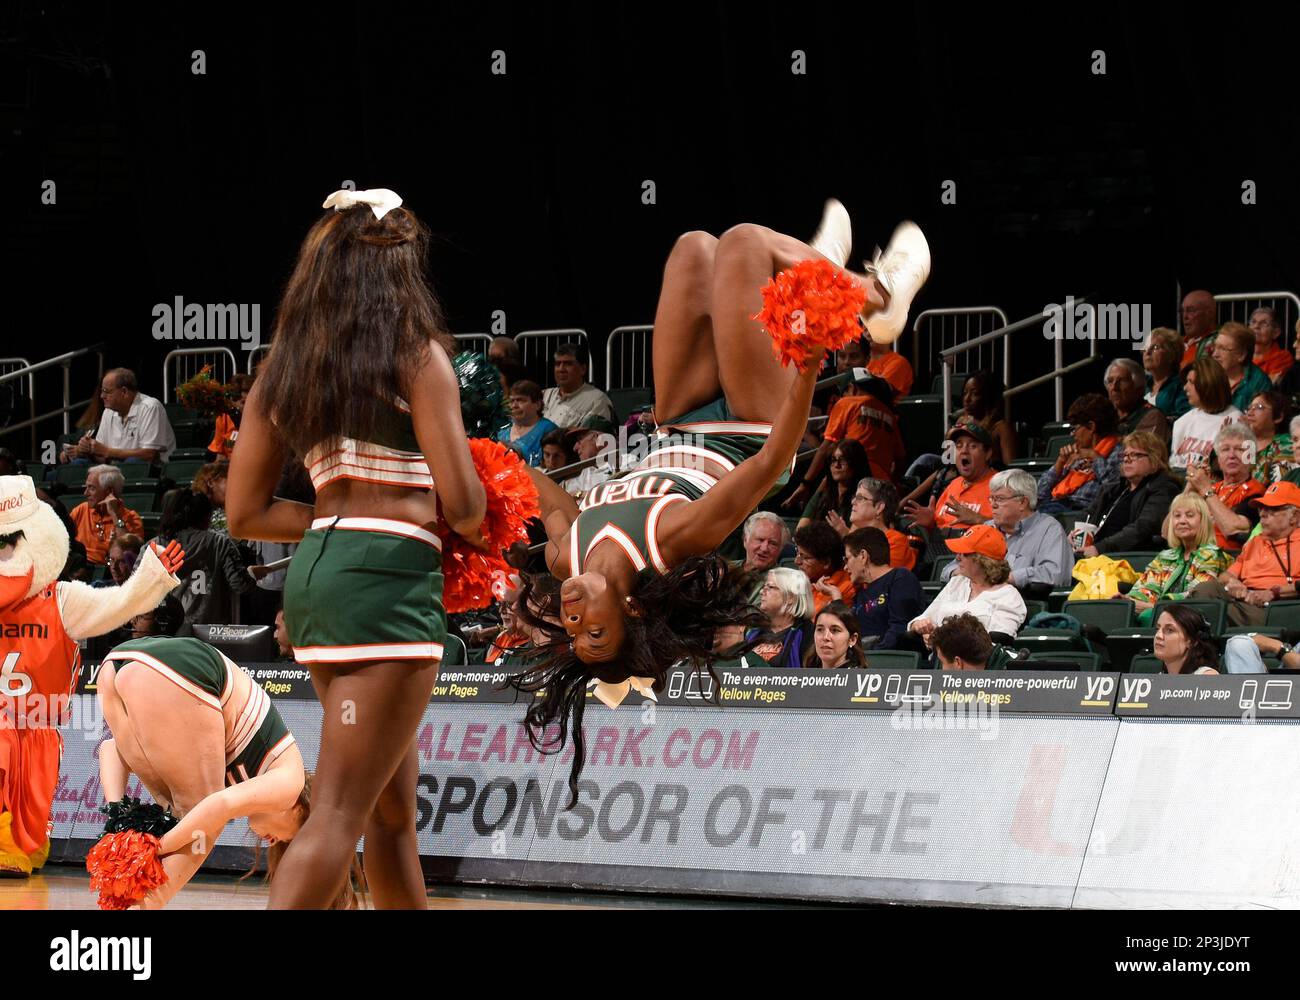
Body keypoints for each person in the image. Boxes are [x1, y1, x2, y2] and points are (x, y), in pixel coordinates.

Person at [518, 213, 930, 795]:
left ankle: (813, 268)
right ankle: (875, 296)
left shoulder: (567, 554)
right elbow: (767, 468)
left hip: (677, 422)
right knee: (740, 244)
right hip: (755, 430)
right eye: (595, 635)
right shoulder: (667, 544)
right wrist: (808, 364)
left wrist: (455, 452)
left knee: (692, 249)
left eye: (571, 632)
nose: (574, 621)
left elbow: (528, 477)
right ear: (632, 613)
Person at [226, 187, 487, 910]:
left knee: (392, 817)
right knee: (342, 810)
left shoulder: (284, 370)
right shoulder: (417, 354)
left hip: (316, 578)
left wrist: (332, 529)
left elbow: (244, 511)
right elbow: (465, 506)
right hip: (388, 583)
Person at [94, 634, 345, 908]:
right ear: (299, 809)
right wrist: (156, 848)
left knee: (172, 813)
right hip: (182, 670)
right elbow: (220, 804)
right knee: (202, 822)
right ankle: (145, 907)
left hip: (115, 665)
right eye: (288, 838)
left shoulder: (244, 774)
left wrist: (116, 819)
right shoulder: (290, 782)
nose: (274, 842)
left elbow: (111, 749)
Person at [944, 468, 1073, 592]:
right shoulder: (987, 528)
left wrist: (1005, 579)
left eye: (999, 499)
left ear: (1022, 502)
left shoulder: (1049, 529)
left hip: (1024, 605)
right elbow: (948, 570)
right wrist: (962, 573)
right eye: (992, 498)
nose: (993, 505)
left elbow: (1055, 575)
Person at [1190, 481, 1300, 626]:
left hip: (1278, 607)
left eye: (1272, 509)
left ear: (1294, 516)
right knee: (1206, 588)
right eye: (1261, 508)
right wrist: (1233, 583)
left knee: (1209, 613)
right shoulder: (1255, 542)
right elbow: (1226, 575)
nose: (1262, 514)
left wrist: (1274, 593)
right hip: (1245, 601)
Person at [784, 366, 904, 497]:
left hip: (852, 480)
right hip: (881, 486)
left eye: (843, 393)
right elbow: (900, 459)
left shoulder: (847, 403)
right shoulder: (889, 415)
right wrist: (893, 483)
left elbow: (825, 447)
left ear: (852, 388)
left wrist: (805, 483)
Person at [908, 524, 1027, 645]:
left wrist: (941, 639)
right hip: (940, 660)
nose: (958, 558)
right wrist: (919, 626)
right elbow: (922, 619)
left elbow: (995, 644)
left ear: (983, 561)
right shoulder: (957, 582)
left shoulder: (1009, 596)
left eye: (964, 553)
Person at [1124, 492, 1230, 626]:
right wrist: (1129, 601)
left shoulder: (1212, 555)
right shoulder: (1164, 556)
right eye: (1177, 515)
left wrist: (1153, 607)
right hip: (1159, 613)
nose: (1182, 521)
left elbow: (1195, 596)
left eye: (1190, 515)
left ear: (1203, 521)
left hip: (1193, 621)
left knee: (1148, 616)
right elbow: (1146, 587)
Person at [159, 488, 255, 625]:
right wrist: (252, 575)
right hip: (211, 632)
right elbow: (240, 585)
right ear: (207, 516)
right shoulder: (220, 542)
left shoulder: (154, 546)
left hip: (169, 631)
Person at [1075, 431, 1181, 556]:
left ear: (1154, 459)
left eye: (1135, 455)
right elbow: (1087, 513)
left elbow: (1142, 528)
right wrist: (1076, 532)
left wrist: (1099, 548)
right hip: (1097, 552)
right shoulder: (1114, 488)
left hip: (1127, 557)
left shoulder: (1164, 488)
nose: (1127, 459)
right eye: (1125, 455)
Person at [61, 367, 176, 465]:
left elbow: (149, 455)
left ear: (124, 392)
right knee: (78, 464)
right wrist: (87, 450)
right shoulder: (108, 412)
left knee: (133, 462)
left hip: (149, 470)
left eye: (106, 391)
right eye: (102, 391)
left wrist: (107, 451)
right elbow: (102, 456)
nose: (102, 396)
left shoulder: (150, 407)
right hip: (115, 470)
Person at [903, 424, 996, 545]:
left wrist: (979, 519)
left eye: (973, 446)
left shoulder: (1000, 485)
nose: (964, 451)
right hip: (939, 550)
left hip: (976, 554)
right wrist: (931, 522)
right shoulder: (954, 485)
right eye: (959, 445)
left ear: (988, 453)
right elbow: (941, 526)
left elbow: (1015, 530)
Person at [1181, 422, 1264, 553]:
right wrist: (1191, 486)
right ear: (1218, 460)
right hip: (1191, 555)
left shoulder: (1257, 492)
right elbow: (1167, 530)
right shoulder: (1212, 487)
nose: (1231, 455)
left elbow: (1233, 529)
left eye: (1240, 449)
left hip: (1226, 558)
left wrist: (1205, 490)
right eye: (1225, 449)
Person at [1036, 393, 1124, 514]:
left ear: (1091, 427)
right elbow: (1040, 494)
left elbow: (1113, 490)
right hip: (1055, 506)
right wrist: (1060, 463)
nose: (1072, 434)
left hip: (1082, 512)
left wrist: (1095, 457)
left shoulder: (1118, 452)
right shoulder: (1075, 455)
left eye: (1075, 428)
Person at [841, 527, 925, 649]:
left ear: (863, 556)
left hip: (891, 662)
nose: (845, 567)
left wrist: (875, 656)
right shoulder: (860, 593)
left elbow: (899, 627)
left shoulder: (900, 578)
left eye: (847, 559)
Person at [1169, 355, 1244, 469]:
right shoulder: (1182, 422)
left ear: (1207, 384)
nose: (1185, 388)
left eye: (1191, 382)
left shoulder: (1236, 420)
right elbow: (1174, 465)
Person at [830, 477, 916, 571]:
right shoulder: (857, 542)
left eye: (860, 498)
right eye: (854, 497)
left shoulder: (896, 541)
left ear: (879, 507)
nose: (853, 502)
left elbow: (880, 579)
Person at [69, 464, 144, 565]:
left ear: (109, 492)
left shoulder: (132, 519)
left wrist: (115, 515)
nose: (85, 493)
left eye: (91, 488)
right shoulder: (80, 511)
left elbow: (128, 554)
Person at [745, 568, 814, 667]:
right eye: (764, 586)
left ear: (791, 597)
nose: (761, 591)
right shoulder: (753, 631)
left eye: (770, 587)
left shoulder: (808, 635)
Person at [796, 438, 870, 531]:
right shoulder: (822, 495)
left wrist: (843, 532)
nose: (836, 465)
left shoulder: (864, 499)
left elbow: (858, 541)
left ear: (856, 463)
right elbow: (800, 529)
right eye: (833, 460)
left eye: (842, 460)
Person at [541, 343, 616, 429]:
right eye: (558, 364)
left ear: (583, 369)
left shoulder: (597, 400)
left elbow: (593, 438)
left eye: (568, 364)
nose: (561, 369)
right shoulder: (544, 395)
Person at [794, 521, 857, 614]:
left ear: (826, 562)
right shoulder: (803, 581)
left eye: (805, 557)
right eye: (798, 553)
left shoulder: (845, 590)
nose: (797, 561)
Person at [1212, 321, 1273, 412]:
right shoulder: (1209, 375)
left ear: (1241, 355)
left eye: (1223, 349)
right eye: (1215, 347)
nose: (1215, 354)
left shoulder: (1259, 383)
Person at [1106, 357, 1170, 442]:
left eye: (1122, 381)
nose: (1114, 387)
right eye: (1110, 381)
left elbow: (1138, 452)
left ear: (1139, 388)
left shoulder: (1152, 416)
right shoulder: (1106, 417)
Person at [496, 379, 558, 466]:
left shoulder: (548, 430)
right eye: (511, 401)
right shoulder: (502, 431)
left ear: (537, 405)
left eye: (520, 400)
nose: (514, 406)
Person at [1151, 605, 1220, 675]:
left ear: (1192, 641)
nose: (1158, 635)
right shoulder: (1158, 678)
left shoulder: (1206, 676)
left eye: (1170, 630)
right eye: (1157, 628)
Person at [1244, 390, 1295, 485]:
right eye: (1249, 408)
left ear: (1278, 417)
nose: (1250, 413)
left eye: (1259, 407)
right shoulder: (1246, 444)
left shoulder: (1286, 445)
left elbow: (1277, 489)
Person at [1142, 327, 1190, 420]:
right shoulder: (1142, 385)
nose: (1147, 352)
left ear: (1171, 354)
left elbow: (1185, 418)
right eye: (1145, 348)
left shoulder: (1182, 385)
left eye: (1155, 347)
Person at [803, 602, 869, 668]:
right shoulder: (804, 675)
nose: (826, 637)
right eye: (820, 629)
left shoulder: (858, 677)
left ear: (852, 639)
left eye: (835, 630)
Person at [207, 372, 254, 460]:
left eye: (245, 401)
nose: (241, 405)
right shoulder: (223, 418)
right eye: (237, 399)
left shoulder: (262, 418)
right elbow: (221, 454)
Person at [1251, 307, 1293, 384]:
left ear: (1276, 333)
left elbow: (1267, 386)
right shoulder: (1239, 354)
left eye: (1264, 323)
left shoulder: (1283, 357)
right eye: (1253, 322)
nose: (1256, 326)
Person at [191, 459, 234, 535]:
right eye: (230, 481)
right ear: (210, 482)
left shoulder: (234, 510)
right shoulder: (193, 512)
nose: (235, 487)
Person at [1179, 289, 1218, 367]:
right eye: (1182, 311)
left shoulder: (1218, 344)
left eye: (1191, 310)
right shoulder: (1177, 344)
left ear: (1210, 312)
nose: (1185, 316)